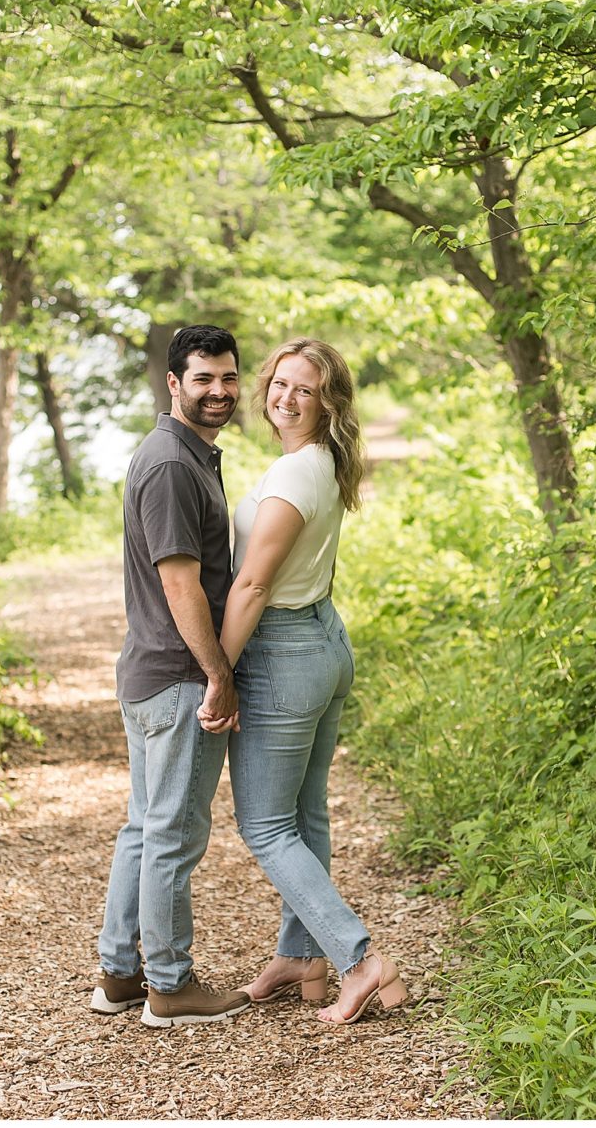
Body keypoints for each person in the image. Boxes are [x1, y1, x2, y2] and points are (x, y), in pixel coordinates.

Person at [210, 337, 409, 1026]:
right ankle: (303, 957)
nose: (287, 398)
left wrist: (219, 671)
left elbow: (253, 584)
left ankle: (360, 959)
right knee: (305, 815)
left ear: (328, 402)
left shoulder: (296, 474)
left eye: (305, 389)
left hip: (283, 652)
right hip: (322, 639)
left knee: (266, 825)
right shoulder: (320, 461)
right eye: (280, 383)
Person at [92, 324, 253, 1027]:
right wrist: (218, 674)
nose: (219, 391)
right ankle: (169, 983)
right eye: (203, 378)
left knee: (146, 826)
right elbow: (181, 583)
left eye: (228, 377)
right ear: (173, 383)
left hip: (156, 672)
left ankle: (120, 975)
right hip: (179, 675)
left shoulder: (187, 455)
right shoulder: (170, 465)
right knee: (172, 833)